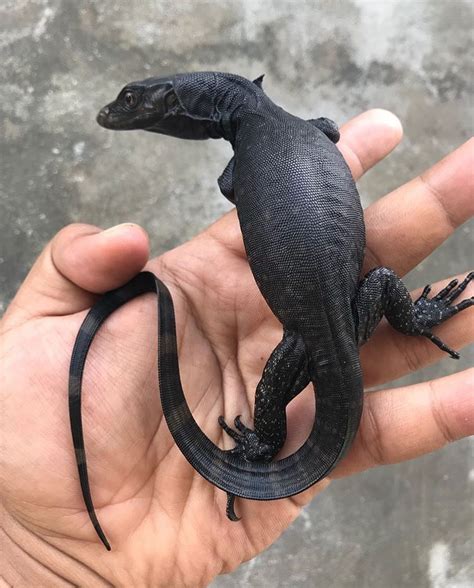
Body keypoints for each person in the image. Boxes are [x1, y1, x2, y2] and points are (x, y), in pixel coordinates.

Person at [1, 109, 472, 587]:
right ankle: (412, 322)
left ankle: (264, 443)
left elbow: (235, 181)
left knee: (292, 377)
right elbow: (328, 132)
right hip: (349, 317)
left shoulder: (245, 156)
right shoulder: (309, 127)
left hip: (312, 333)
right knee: (383, 279)